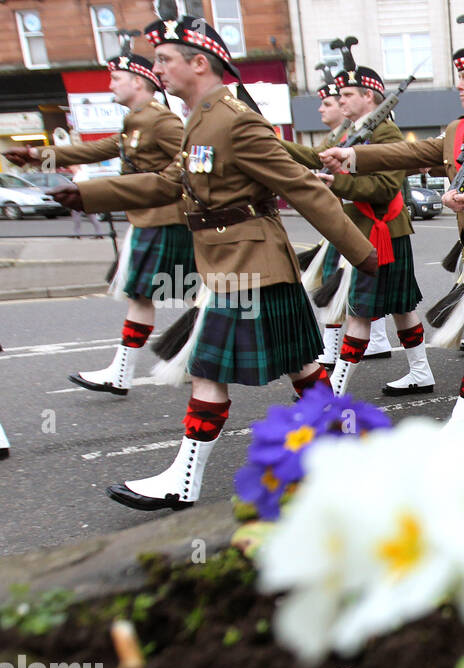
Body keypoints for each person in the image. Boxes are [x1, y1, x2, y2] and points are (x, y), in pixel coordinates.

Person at [50, 12, 378, 511]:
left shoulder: (236, 121)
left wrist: (362, 253)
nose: (156, 68)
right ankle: (351, 447)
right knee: (303, 368)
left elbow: (302, 187)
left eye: (164, 59)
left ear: (198, 63)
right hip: (235, 264)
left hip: (250, 264)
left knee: (208, 370)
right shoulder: (199, 120)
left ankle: (183, 480)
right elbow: (168, 183)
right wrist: (89, 193)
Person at [321, 16, 464, 423]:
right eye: (459, 76)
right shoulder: (458, 129)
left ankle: (460, 432)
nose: (459, 84)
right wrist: (354, 158)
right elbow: (411, 154)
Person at [6, 42, 192, 396]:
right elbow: (94, 150)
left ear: (139, 80)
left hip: (165, 220)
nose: (110, 85)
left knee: (150, 295)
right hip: (151, 220)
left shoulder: (161, 120)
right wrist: (34, 156)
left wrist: (159, 184)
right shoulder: (137, 120)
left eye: (116, 78)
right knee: (187, 294)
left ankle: (128, 372)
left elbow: (193, 157)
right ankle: (164, 362)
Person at [283, 46, 426, 396]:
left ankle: (334, 389)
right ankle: (421, 371)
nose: (340, 99)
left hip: (382, 232)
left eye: (347, 94)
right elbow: (317, 156)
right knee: (400, 309)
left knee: (360, 313)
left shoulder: (386, 134)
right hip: (364, 231)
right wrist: (273, 144)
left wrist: (339, 182)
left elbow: (385, 187)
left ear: (369, 96)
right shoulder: (352, 131)